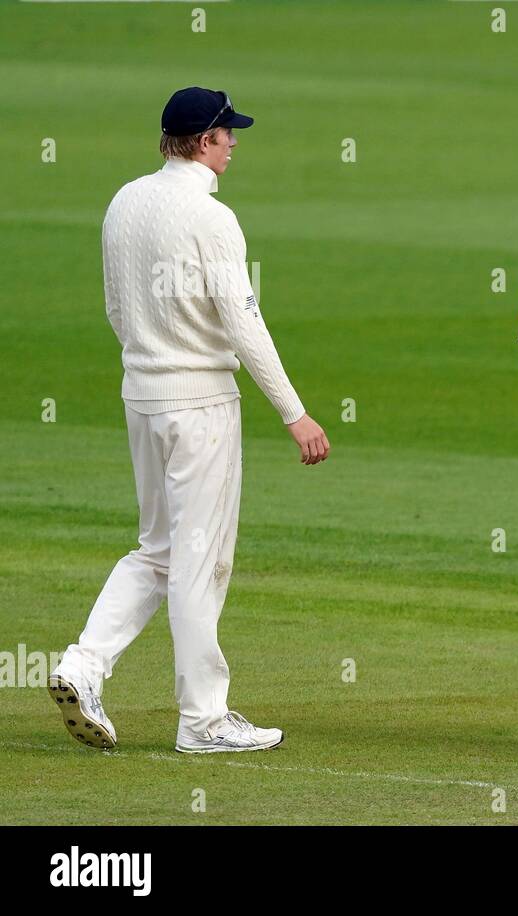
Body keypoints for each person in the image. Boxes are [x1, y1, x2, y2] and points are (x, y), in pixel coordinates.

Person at [49, 87, 330, 754]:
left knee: (160, 549)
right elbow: (244, 322)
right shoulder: (211, 217)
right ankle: (203, 720)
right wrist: (295, 413)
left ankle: (82, 666)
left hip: (141, 396)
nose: (234, 142)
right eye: (228, 133)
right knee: (200, 562)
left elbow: (117, 308)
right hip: (200, 404)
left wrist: (150, 359)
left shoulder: (124, 202)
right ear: (203, 141)